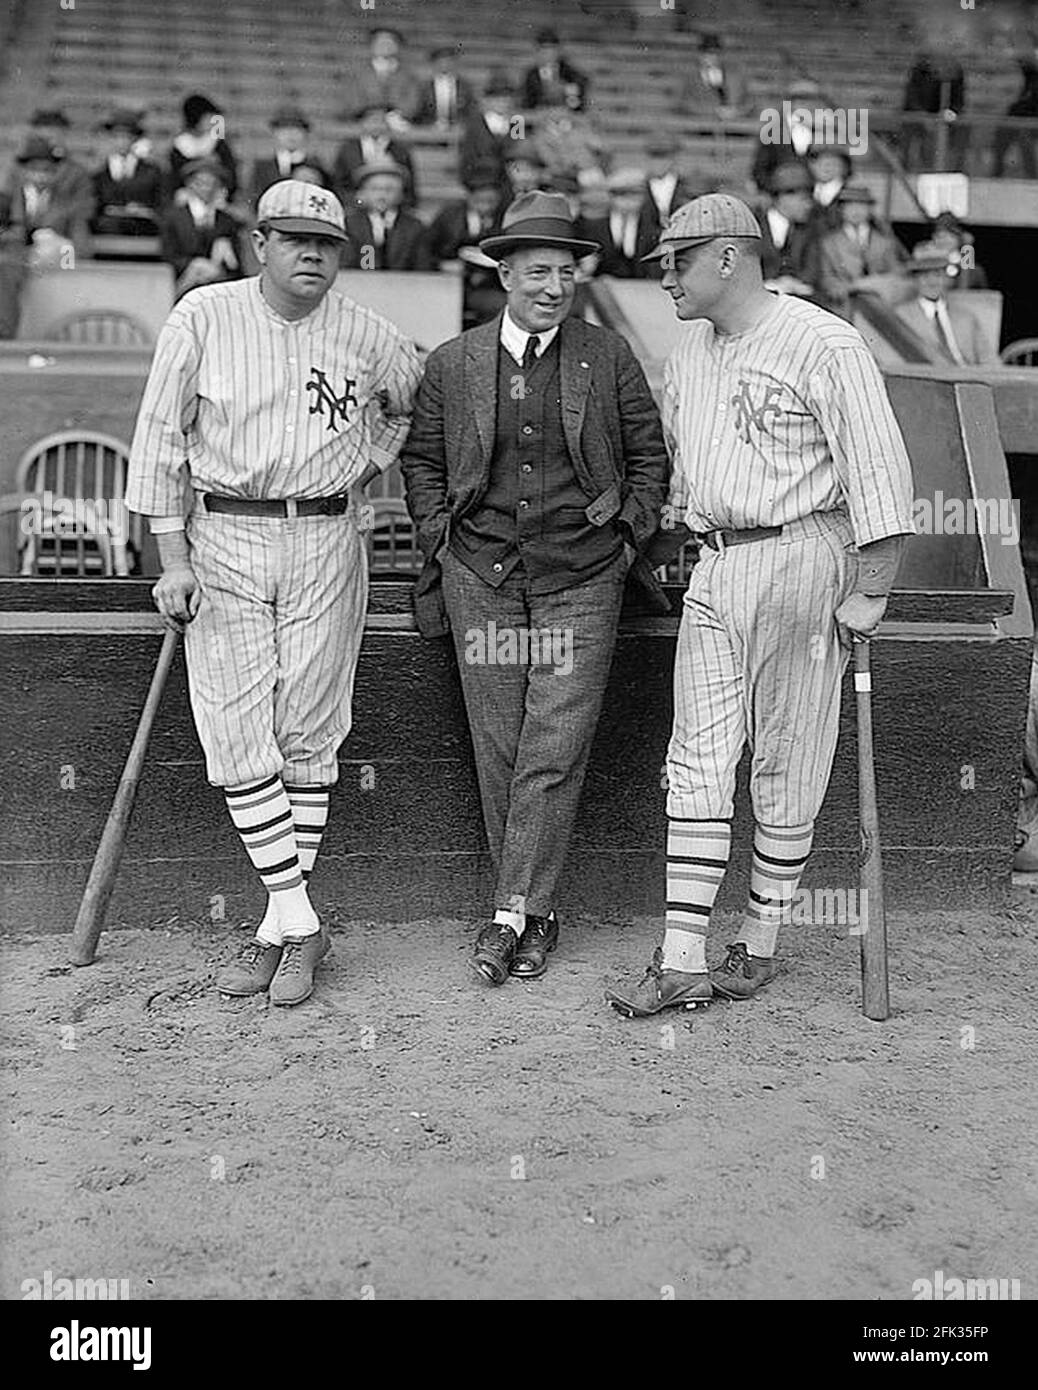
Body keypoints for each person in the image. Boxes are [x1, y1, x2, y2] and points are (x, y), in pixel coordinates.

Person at [605, 193, 914, 1017]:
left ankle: (759, 940)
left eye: (677, 261)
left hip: (804, 553)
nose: (664, 277)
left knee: (786, 760)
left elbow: (881, 473)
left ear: (730, 258)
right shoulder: (691, 349)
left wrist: (870, 591)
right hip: (717, 561)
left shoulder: (822, 341)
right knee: (697, 758)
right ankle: (679, 957)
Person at [125, 180, 422, 1007]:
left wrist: (366, 461)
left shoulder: (369, 332)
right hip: (223, 532)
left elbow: (409, 403)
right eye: (295, 240)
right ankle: (301, 919)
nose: (313, 256)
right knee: (235, 730)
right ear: (260, 243)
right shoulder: (203, 316)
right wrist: (172, 556)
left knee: (309, 729)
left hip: (328, 533)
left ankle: (273, 929)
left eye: (327, 244)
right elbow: (158, 438)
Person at [400, 191, 670, 987]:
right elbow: (419, 462)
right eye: (538, 272)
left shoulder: (606, 355)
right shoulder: (455, 362)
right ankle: (535, 913)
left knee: (555, 745)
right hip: (481, 576)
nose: (553, 286)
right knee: (502, 744)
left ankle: (509, 912)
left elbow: (650, 457)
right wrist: (436, 536)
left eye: (565, 272)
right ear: (505, 274)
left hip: (582, 577)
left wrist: (625, 537)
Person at [894, 240, 999, 365]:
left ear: (946, 278)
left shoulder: (966, 318)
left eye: (937, 275)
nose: (932, 282)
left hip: (970, 378)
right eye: (925, 276)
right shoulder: (901, 317)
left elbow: (989, 360)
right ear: (916, 280)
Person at [817, 183, 906, 317]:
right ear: (841, 210)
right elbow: (826, 278)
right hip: (842, 308)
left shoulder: (884, 242)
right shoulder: (829, 242)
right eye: (850, 206)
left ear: (870, 209)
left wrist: (868, 285)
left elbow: (897, 274)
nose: (855, 211)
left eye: (861, 206)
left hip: (879, 308)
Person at [160, 156, 242, 299]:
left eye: (213, 184)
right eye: (201, 183)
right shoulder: (173, 217)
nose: (207, 188)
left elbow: (235, 264)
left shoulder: (227, 220)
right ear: (190, 185)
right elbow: (168, 255)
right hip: (181, 281)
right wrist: (195, 265)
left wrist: (219, 266)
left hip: (217, 286)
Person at [340, 161, 432, 272]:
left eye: (389, 190)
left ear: (401, 194)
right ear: (362, 193)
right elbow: (346, 264)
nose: (381, 195)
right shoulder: (350, 224)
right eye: (375, 189)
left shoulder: (415, 226)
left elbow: (422, 266)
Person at [91, 107, 163, 237]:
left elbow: (161, 202)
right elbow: (95, 205)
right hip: (109, 229)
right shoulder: (99, 175)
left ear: (134, 139)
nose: (121, 141)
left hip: (144, 228)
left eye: (126, 137)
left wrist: (144, 211)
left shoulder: (152, 171)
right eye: (116, 136)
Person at [575, 167, 656, 278]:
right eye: (622, 195)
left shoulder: (652, 230)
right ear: (611, 197)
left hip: (642, 289)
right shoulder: (593, 227)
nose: (628, 201)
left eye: (635, 195)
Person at [333, 104, 417, 210]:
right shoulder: (348, 150)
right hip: (355, 208)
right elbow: (339, 186)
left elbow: (409, 190)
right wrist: (359, 201)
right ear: (362, 123)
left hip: (392, 209)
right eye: (371, 120)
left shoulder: (400, 151)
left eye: (381, 121)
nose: (376, 125)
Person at [757, 162, 821, 298]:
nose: (809, 206)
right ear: (784, 198)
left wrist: (793, 283)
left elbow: (813, 270)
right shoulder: (755, 226)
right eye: (804, 200)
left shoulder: (810, 230)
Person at [901, 50, 966, 171]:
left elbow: (958, 102)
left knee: (959, 131)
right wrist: (924, 117)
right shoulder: (919, 72)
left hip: (941, 118)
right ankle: (907, 167)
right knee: (916, 131)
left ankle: (950, 169)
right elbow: (912, 99)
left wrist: (951, 112)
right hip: (918, 116)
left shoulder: (955, 74)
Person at [342, 27, 420, 129]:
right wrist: (371, 115)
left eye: (389, 42)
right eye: (380, 42)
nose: (385, 46)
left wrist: (392, 116)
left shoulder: (409, 76)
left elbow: (412, 105)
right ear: (372, 46)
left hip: (398, 124)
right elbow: (353, 102)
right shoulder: (357, 75)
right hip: (363, 124)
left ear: (397, 46)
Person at [248, 107, 327, 207]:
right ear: (275, 133)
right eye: (284, 129)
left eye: (297, 129)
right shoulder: (262, 168)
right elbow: (253, 201)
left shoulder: (317, 166)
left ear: (306, 134)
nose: (291, 134)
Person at [167, 94, 238, 199]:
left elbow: (231, 175)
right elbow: (175, 179)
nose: (212, 122)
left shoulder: (218, 143)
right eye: (208, 118)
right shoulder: (180, 145)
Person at [458, 71, 517, 196]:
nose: (503, 102)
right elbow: (468, 158)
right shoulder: (475, 125)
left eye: (506, 97)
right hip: (481, 184)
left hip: (510, 185)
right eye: (497, 98)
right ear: (488, 100)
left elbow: (519, 151)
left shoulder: (516, 122)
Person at [992, 37, 1038, 178]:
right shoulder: (1029, 72)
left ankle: (1032, 178)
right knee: (1000, 136)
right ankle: (996, 174)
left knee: (1025, 137)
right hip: (1017, 116)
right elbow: (1023, 60)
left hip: (1033, 120)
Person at [678, 31, 751, 117]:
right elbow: (684, 103)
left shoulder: (735, 75)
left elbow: (748, 102)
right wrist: (713, 111)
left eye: (715, 53)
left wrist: (735, 111)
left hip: (735, 125)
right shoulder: (690, 76)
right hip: (700, 124)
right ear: (700, 55)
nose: (711, 57)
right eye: (707, 53)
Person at [520, 27, 588, 112]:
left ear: (558, 51)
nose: (548, 55)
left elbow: (578, 101)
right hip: (539, 117)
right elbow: (527, 102)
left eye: (551, 50)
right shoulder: (531, 75)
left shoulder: (571, 73)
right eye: (544, 51)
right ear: (537, 52)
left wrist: (564, 89)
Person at [414, 46, 477, 128]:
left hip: (459, 129)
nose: (444, 64)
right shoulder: (424, 87)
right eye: (441, 61)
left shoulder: (465, 86)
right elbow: (418, 111)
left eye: (448, 61)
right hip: (430, 128)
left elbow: (472, 109)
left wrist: (461, 124)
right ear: (433, 63)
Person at [930, 211, 988, 291]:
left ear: (959, 238)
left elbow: (964, 287)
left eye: (950, 235)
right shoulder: (928, 263)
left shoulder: (974, 270)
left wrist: (967, 248)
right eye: (939, 236)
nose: (943, 240)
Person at [807, 146, 853, 233]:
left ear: (845, 167)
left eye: (833, 162)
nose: (826, 166)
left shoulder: (852, 195)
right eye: (819, 161)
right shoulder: (806, 192)